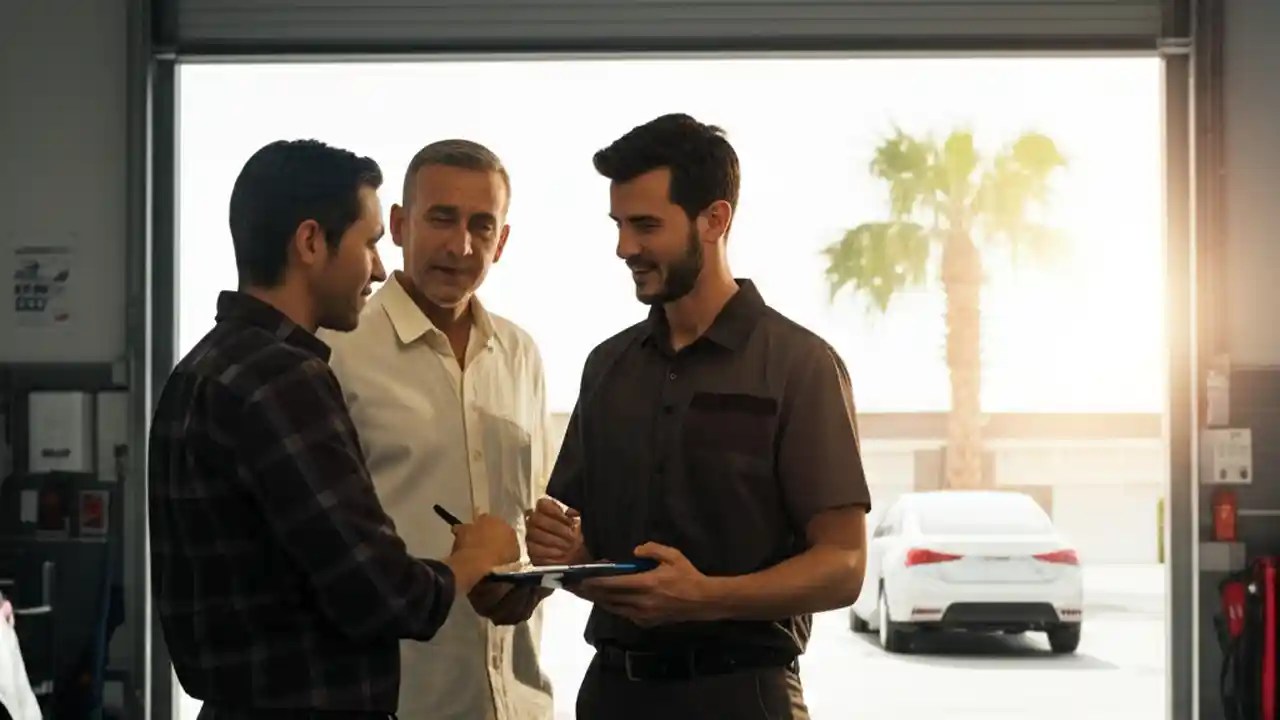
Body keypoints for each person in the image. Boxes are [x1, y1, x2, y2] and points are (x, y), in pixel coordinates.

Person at [148, 139, 521, 719]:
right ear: (310, 242)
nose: (378, 268)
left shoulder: (202, 367)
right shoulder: (282, 378)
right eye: (369, 243)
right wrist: (477, 557)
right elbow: (383, 594)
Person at [524, 114, 872, 719]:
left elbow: (844, 565)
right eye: (619, 225)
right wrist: (565, 551)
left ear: (714, 220)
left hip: (744, 697)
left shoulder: (801, 366)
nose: (624, 248)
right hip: (611, 695)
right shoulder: (606, 367)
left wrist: (706, 597)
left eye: (645, 225)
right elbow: (584, 551)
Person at [321, 139, 554, 719]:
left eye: (481, 225)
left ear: (502, 241)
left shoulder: (521, 353)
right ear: (400, 226)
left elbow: (530, 518)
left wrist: (538, 575)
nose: (460, 245)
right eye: (442, 219)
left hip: (518, 699)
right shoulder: (337, 350)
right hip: (401, 698)